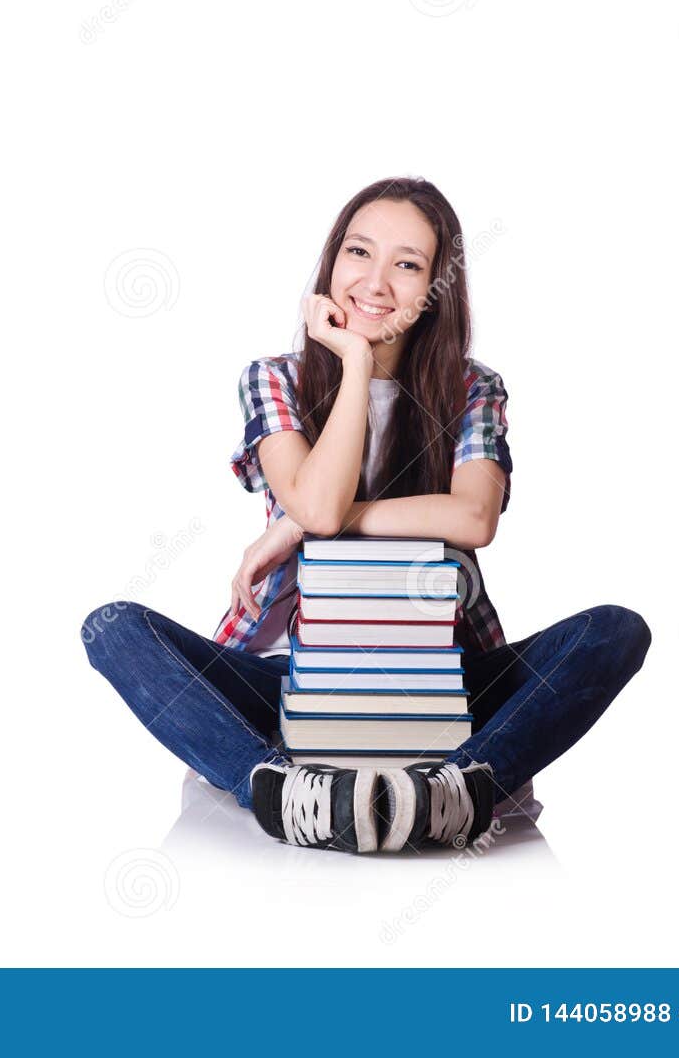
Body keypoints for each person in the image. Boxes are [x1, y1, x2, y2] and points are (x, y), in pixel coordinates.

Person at [81, 176, 650, 853]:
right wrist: (354, 360)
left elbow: (473, 517)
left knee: (616, 631)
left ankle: (455, 788)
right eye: (359, 252)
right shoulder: (276, 379)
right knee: (113, 627)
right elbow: (319, 501)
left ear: (437, 288)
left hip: (439, 680)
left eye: (407, 264)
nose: (376, 282)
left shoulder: (473, 388)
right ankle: (280, 786)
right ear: (330, 264)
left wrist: (300, 524)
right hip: (300, 681)